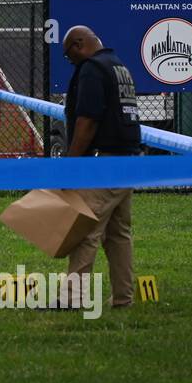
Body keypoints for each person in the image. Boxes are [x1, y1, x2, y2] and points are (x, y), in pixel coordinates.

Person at [60, 25, 141, 309]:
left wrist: (71, 164)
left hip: (106, 163)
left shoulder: (93, 69)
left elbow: (87, 121)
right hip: (128, 158)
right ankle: (123, 298)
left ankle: (72, 298)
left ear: (79, 45)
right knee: (119, 234)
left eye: (69, 56)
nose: (70, 63)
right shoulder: (118, 66)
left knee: (86, 228)